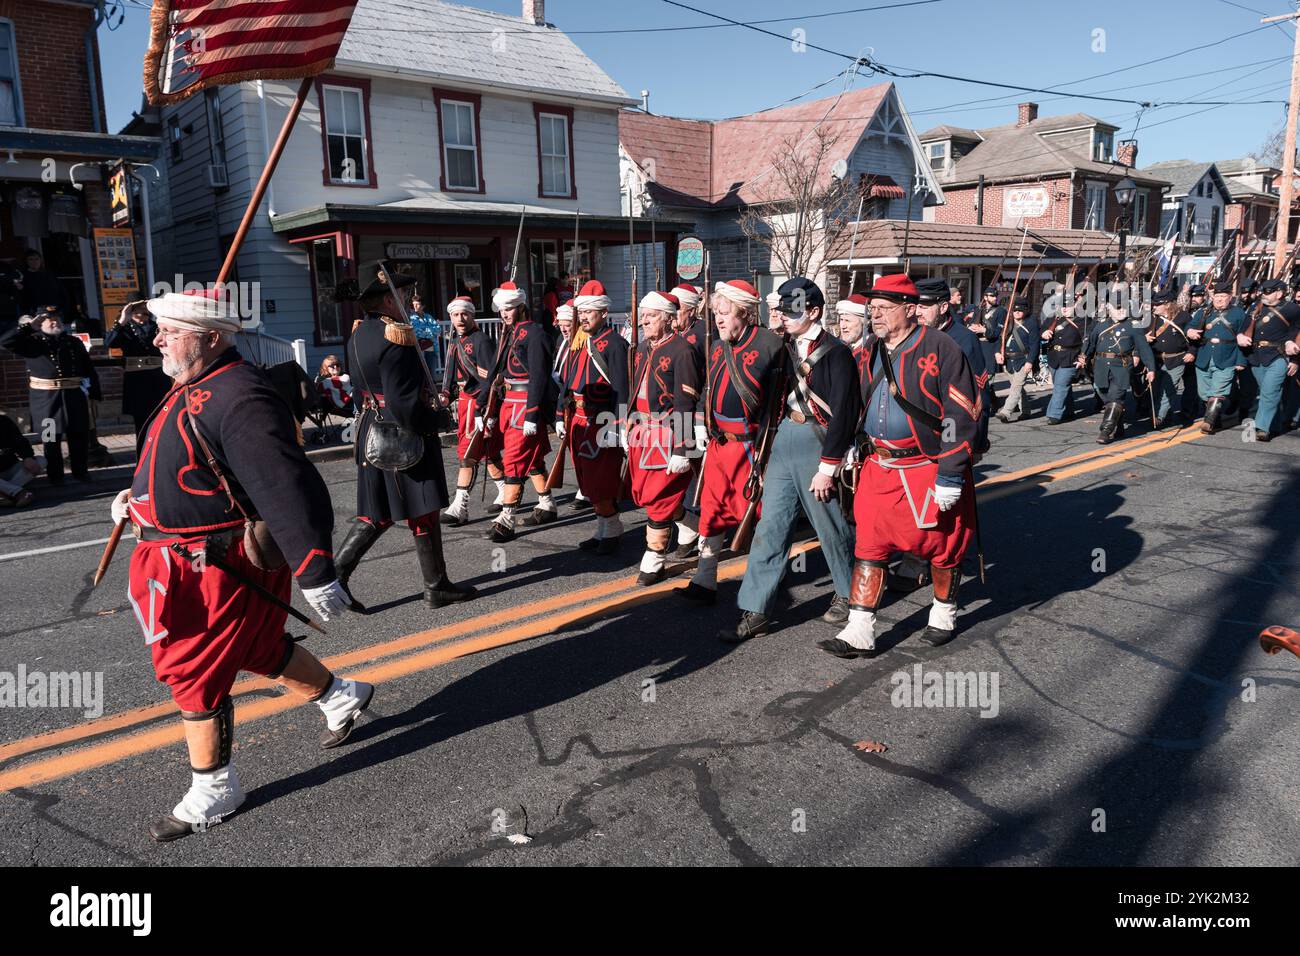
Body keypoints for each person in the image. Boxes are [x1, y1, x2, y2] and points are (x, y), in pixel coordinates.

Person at [109, 287, 367, 842]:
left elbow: (285, 486)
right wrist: (137, 499)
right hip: (172, 557)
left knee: (192, 670)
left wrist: (315, 567)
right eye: (161, 329)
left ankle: (215, 787)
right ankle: (340, 695)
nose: (157, 339)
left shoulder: (239, 395)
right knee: (254, 647)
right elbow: (178, 460)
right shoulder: (192, 383)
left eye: (170, 331)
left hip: (216, 566)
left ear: (210, 336)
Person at [822, 273, 981, 659]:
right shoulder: (868, 351)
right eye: (871, 309)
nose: (874, 316)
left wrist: (949, 472)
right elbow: (853, 407)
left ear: (910, 309)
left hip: (927, 465)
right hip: (878, 465)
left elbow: (959, 414)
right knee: (870, 544)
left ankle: (943, 613)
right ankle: (859, 629)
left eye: (883, 309)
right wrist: (841, 450)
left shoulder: (943, 348)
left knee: (942, 545)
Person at [722, 277, 861, 642]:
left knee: (830, 526)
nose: (783, 317)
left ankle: (849, 593)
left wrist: (829, 466)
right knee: (771, 527)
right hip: (785, 437)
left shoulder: (836, 353)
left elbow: (845, 412)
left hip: (819, 440)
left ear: (814, 312)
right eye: (782, 310)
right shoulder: (782, 350)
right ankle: (756, 607)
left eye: (791, 311)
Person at [333, 272, 475, 610]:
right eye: (403, 293)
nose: (409, 298)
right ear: (386, 300)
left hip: (371, 427)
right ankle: (433, 585)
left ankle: (342, 575)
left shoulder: (358, 334)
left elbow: (357, 391)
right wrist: (437, 419)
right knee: (419, 508)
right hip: (400, 432)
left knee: (379, 511)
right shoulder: (395, 338)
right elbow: (404, 404)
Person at [679, 279, 786, 605]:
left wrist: (768, 455)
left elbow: (777, 405)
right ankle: (705, 577)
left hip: (752, 445)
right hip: (719, 444)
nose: (719, 319)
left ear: (744, 311)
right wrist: (699, 422)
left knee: (762, 517)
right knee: (712, 510)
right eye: (716, 313)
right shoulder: (716, 347)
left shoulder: (771, 345)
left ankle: (763, 587)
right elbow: (707, 389)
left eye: (724, 312)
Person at [627, 288, 700, 585]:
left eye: (652, 316)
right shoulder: (643, 347)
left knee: (659, 496)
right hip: (641, 431)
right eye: (644, 315)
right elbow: (634, 390)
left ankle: (654, 556)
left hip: (667, 433)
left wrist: (683, 448)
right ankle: (691, 523)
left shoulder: (683, 350)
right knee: (643, 494)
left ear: (669, 319)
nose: (645, 321)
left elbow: (685, 402)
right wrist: (626, 423)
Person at [556, 280, 630, 554]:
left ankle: (611, 531)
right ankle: (602, 529)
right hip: (578, 419)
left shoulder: (614, 344)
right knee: (586, 479)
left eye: (589, 312)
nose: (584, 317)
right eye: (581, 312)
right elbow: (568, 381)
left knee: (601, 480)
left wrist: (620, 425)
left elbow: (622, 388)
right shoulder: (580, 341)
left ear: (602, 313)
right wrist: (559, 414)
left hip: (602, 422)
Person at [486, 281, 558, 542]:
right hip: (510, 402)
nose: (505, 313)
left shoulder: (535, 333)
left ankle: (506, 518)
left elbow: (539, 377)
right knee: (534, 458)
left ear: (522, 307)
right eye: (502, 309)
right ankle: (547, 503)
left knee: (515, 459)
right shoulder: (510, 332)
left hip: (526, 404)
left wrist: (532, 413)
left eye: (510, 308)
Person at [0, 306, 99, 484]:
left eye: (58, 318)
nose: (55, 321)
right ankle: (56, 475)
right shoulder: (31, 342)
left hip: (73, 396)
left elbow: (87, 368)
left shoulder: (72, 342)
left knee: (78, 435)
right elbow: (5, 341)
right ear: (39, 322)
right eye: (49, 319)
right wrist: (29, 327)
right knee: (50, 439)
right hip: (45, 400)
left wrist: (94, 392)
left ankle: (80, 471)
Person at [440, 295, 507, 525]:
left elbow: (490, 380)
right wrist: (445, 394)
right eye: (456, 314)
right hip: (464, 404)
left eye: (465, 314)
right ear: (450, 317)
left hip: (480, 404)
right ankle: (506, 491)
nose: (460, 318)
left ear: (472, 315)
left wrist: (487, 410)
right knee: (489, 453)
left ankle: (460, 506)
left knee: (467, 455)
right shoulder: (453, 341)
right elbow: (449, 375)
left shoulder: (481, 340)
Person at [1081, 300, 1157, 444]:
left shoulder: (1133, 326)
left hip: (1121, 367)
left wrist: (1151, 369)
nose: (1121, 310)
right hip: (1101, 367)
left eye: (1124, 307)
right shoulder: (1101, 325)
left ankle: (1105, 430)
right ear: (1109, 308)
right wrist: (1083, 357)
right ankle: (1118, 424)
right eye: (1117, 307)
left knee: (1115, 397)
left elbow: (1144, 348)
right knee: (1105, 395)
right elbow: (1090, 343)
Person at [1239, 277, 1299, 441]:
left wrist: (1295, 360)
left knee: (1268, 391)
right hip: (1256, 355)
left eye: (1268, 292)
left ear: (1279, 293)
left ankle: (1261, 428)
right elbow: (1244, 327)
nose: (1263, 295)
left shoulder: (1292, 309)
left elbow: (1298, 334)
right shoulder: (1255, 306)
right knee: (1266, 392)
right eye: (1263, 291)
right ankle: (1275, 424)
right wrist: (1240, 336)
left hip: (1278, 355)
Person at [1186, 280, 1247, 434]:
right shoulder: (1204, 312)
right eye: (1217, 296)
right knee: (1204, 393)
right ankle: (1216, 419)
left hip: (1227, 357)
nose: (1219, 299)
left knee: (1218, 391)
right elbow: (1190, 325)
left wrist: (1240, 360)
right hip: (1204, 357)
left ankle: (1208, 423)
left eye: (1223, 296)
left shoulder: (1239, 313)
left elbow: (1243, 338)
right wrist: (1190, 331)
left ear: (1230, 297)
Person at [105, 299, 171, 438]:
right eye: (139, 308)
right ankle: (142, 456)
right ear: (131, 311)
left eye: (145, 308)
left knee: (163, 418)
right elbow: (109, 343)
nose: (143, 311)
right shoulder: (125, 329)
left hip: (158, 378)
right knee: (141, 423)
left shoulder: (157, 326)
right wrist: (122, 320)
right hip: (137, 381)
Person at [1145, 289, 1195, 429]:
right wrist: (1144, 338)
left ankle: (1159, 416)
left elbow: (1194, 339)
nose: (1154, 307)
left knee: (1169, 389)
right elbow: (1139, 335)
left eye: (1157, 304)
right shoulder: (1151, 318)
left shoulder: (1183, 317)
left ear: (1167, 304)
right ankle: (1161, 413)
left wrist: (1192, 352)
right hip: (1156, 360)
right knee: (1155, 389)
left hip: (1176, 359)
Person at [993, 298, 1041, 422]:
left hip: (1023, 359)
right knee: (1018, 387)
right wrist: (998, 352)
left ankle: (1006, 412)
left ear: (1026, 311)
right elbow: (1000, 339)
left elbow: (1035, 344)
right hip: (1009, 360)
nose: (1017, 312)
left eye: (1020, 310)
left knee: (1015, 388)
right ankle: (1026, 411)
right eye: (1015, 310)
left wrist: (1030, 361)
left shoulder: (1031, 323)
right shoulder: (1008, 322)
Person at [1040, 297, 1085, 425]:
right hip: (1054, 357)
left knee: (1060, 386)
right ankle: (1069, 411)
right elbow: (1041, 330)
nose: (1065, 308)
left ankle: (1054, 414)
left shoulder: (1081, 320)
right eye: (1062, 306)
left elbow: (1087, 340)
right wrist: (1044, 333)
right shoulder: (1053, 318)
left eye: (1068, 306)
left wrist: (1082, 358)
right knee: (1063, 385)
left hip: (1071, 356)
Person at [0, 412, 41, 508]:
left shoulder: (4, 421)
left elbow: (20, 441)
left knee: (41, 461)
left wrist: (27, 457)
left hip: (11, 468)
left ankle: (6, 493)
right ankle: (19, 493)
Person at [965, 285, 1004, 378]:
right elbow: (971, 324)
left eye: (996, 296)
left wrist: (984, 330)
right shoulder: (979, 310)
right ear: (985, 297)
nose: (995, 298)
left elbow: (999, 333)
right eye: (992, 296)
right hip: (977, 345)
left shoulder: (1000, 311)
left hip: (990, 346)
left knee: (989, 379)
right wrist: (971, 328)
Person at [19, 249, 67, 316]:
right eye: (31, 259)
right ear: (26, 261)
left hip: (54, 308)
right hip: (35, 311)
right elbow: (23, 296)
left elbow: (60, 290)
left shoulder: (48, 274)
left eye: (37, 259)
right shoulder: (22, 276)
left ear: (40, 260)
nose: (34, 261)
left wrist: (62, 306)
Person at [408, 292, 443, 379]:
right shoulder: (411, 318)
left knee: (431, 373)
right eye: (413, 304)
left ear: (423, 306)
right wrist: (430, 332)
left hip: (431, 347)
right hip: (419, 348)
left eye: (417, 304)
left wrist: (425, 331)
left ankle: (432, 391)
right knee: (421, 374)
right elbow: (416, 332)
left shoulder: (428, 317)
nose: (415, 306)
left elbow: (438, 329)